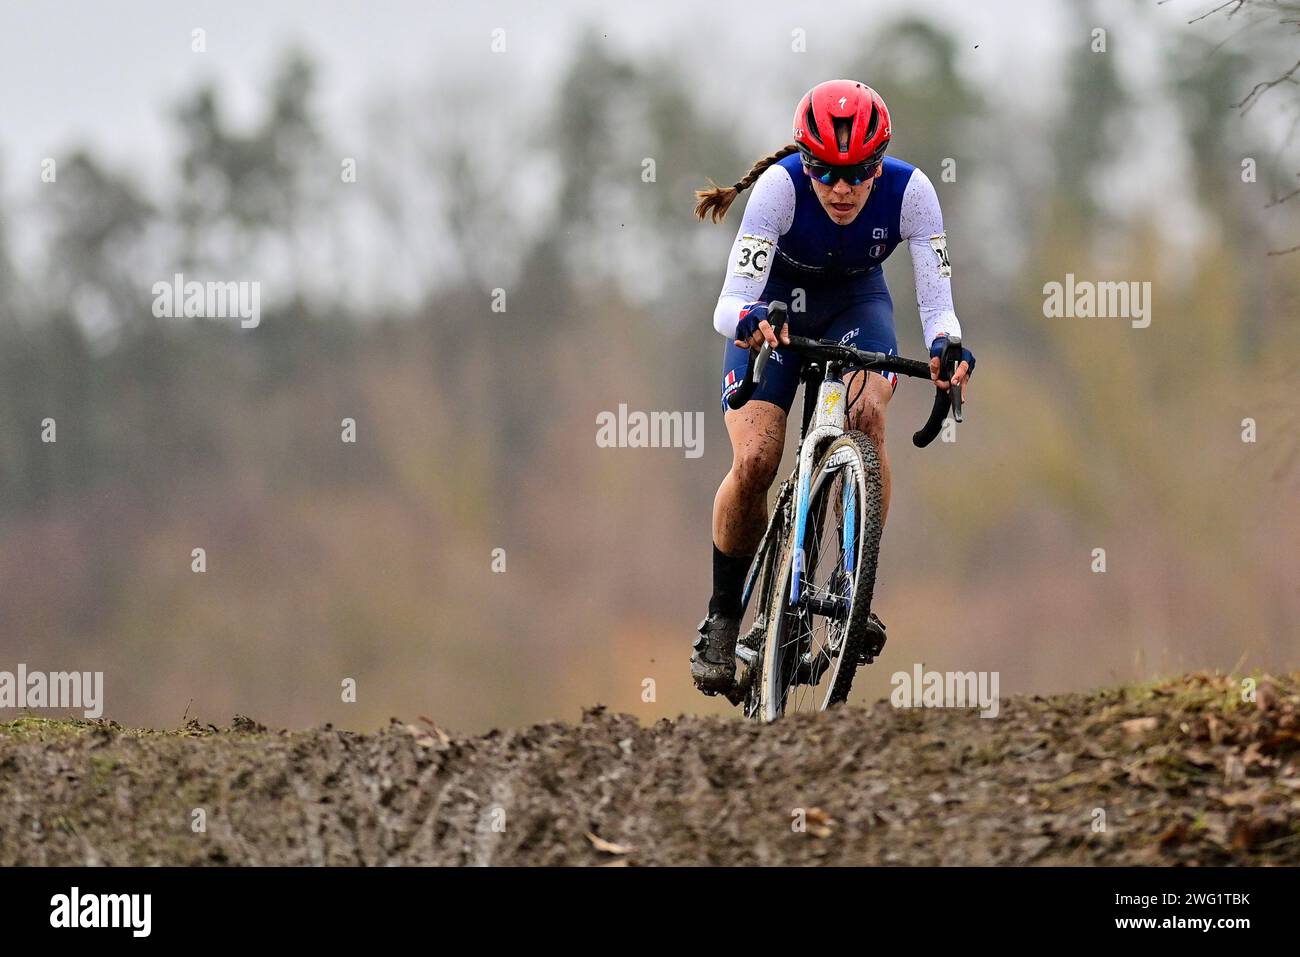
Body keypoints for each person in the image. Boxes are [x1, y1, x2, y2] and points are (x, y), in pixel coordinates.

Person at [690, 79, 976, 696]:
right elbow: (729, 303)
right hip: (775, 317)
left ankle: (853, 582)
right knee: (757, 458)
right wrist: (751, 323)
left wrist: (946, 348)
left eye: (859, 173)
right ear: (804, 161)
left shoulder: (913, 193)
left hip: (856, 306)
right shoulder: (777, 189)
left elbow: (939, 308)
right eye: (825, 173)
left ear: (880, 164)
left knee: (868, 412)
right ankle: (722, 616)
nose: (842, 189)